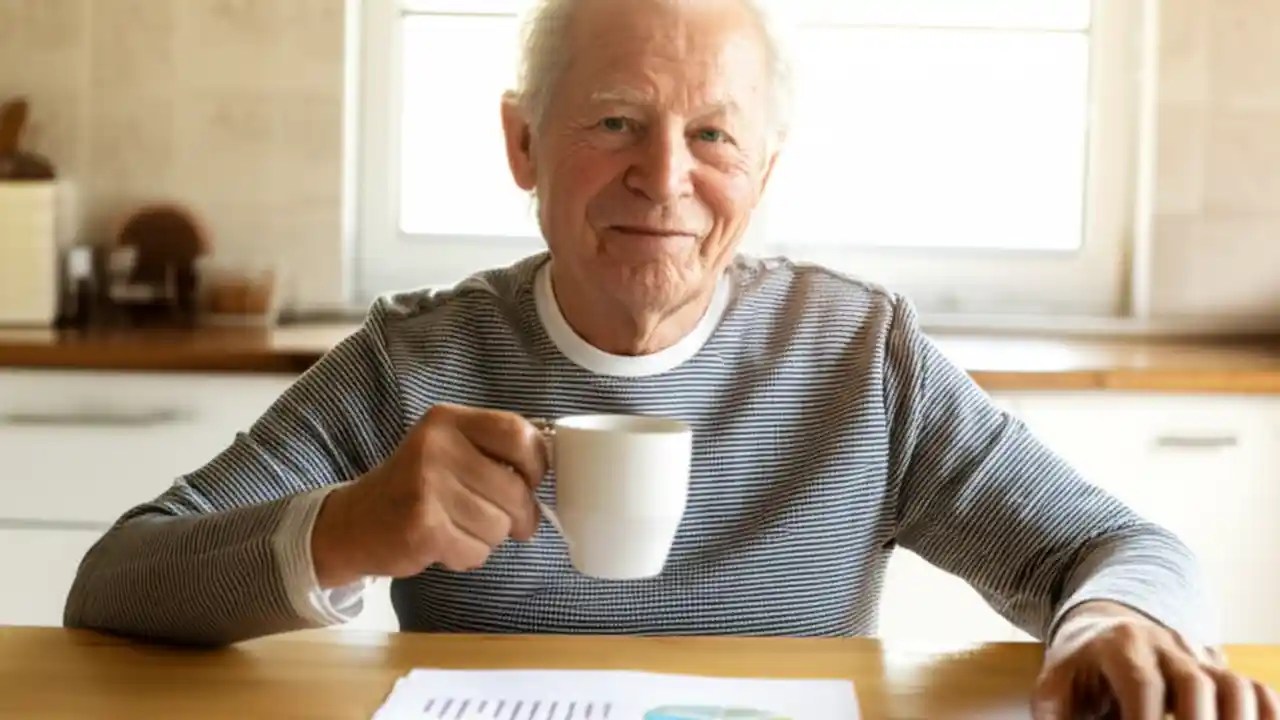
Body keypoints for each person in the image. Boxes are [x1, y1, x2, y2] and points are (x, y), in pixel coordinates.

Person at [65, 0, 1276, 716]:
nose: (663, 177)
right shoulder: (413, 361)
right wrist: (345, 527)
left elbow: (1118, 546)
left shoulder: (861, 359)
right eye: (611, 123)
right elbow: (116, 581)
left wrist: (1097, 625)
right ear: (521, 142)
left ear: (764, 172)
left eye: (711, 134)